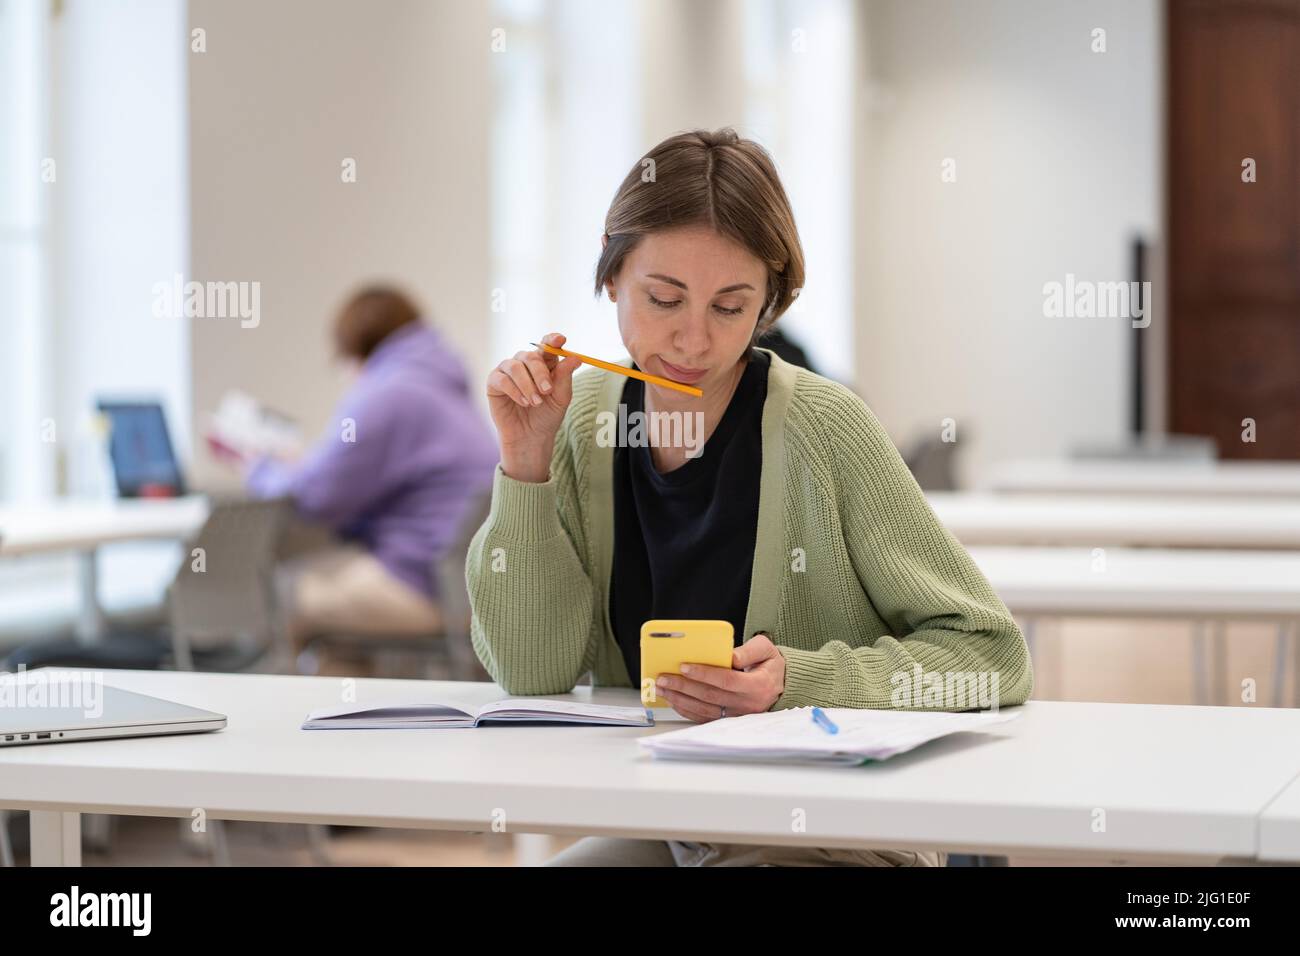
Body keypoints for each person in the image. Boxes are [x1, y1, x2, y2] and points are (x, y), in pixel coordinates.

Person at [467, 129, 1032, 866]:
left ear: (770, 301)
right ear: (610, 276)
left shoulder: (827, 427)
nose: (693, 340)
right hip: (663, 818)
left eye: (730, 308)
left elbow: (990, 656)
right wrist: (525, 463)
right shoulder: (579, 419)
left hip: (832, 830)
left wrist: (800, 682)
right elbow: (531, 672)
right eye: (663, 299)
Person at [239, 287, 498, 657]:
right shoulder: (441, 383)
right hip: (466, 585)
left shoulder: (389, 392)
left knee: (275, 591)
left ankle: (267, 712)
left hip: (421, 587)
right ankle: (341, 707)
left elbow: (316, 497)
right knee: (335, 618)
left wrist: (260, 467)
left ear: (354, 349)